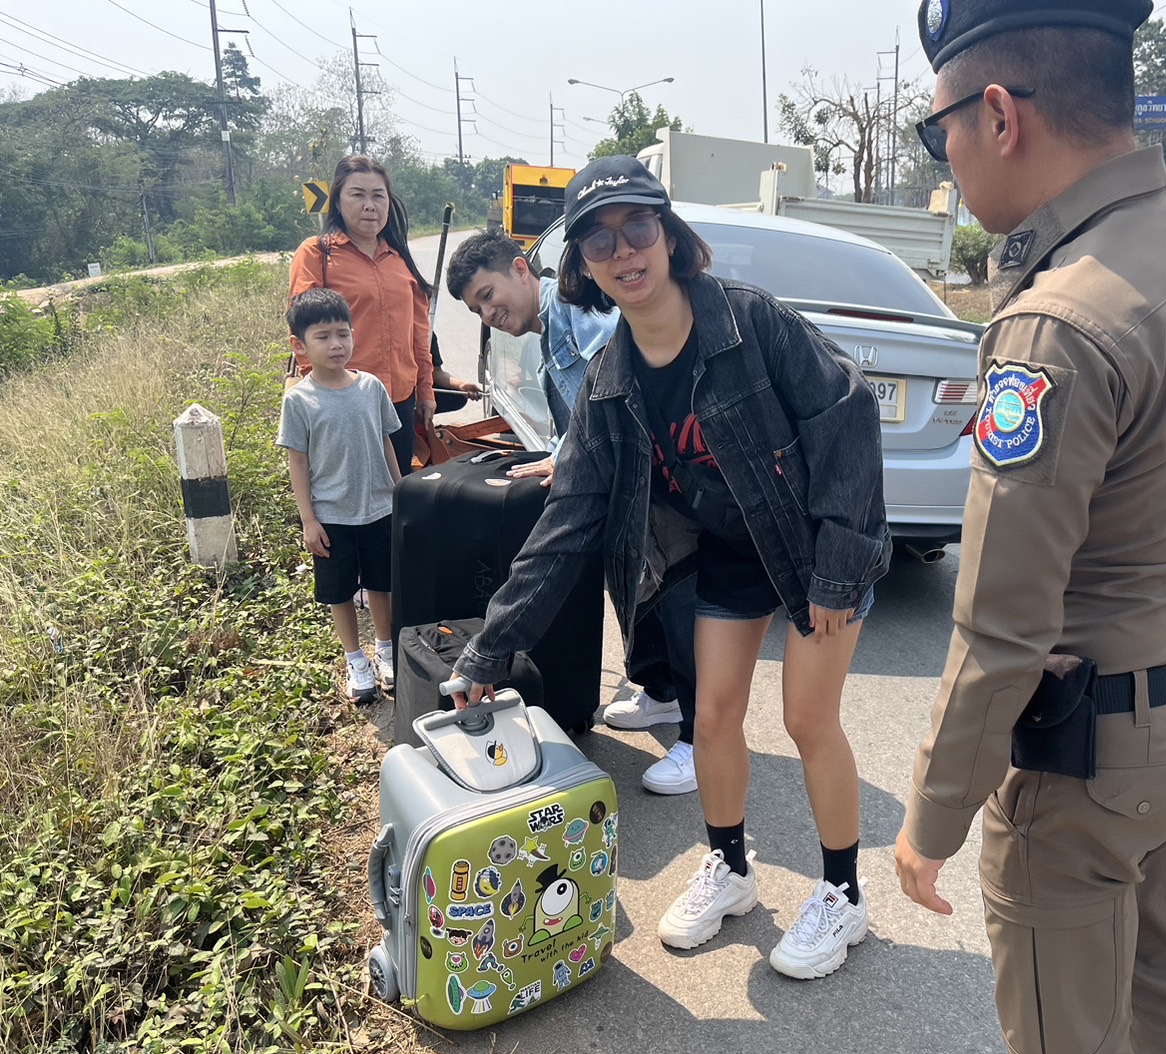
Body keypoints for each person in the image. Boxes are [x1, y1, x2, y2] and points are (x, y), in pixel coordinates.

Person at [893, 2, 1166, 1054]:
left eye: (939, 134)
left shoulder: (1054, 322)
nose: (949, 159)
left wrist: (931, 815)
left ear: (1000, 114)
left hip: (1087, 750)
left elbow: (1002, 621)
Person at [450, 157, 890, 979]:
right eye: (598, 241)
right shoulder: (612, 380)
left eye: (637, 228)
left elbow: (847, 416)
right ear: (580, 265)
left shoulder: (748, 323)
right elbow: (569, 516)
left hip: (814, 550)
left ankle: (843, 895)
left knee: (807, 720)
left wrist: (838, 569)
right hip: (725, 553)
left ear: (668, 235)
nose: (624, 252)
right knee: (712, 718)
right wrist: (489, 649)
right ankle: (730, 869)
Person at [444, 228, 697, 796]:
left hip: (663, 487)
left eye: (489, 295)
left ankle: (701, 738)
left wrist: (577, 459)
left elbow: (615, 395)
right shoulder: (550, 326)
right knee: (638, 588)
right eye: (476, 309)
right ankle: (661, 693)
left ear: (520, 269)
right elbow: (581, 414)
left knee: (678, 599)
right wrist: (563, 453)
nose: (489, 314)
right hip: (628, 487)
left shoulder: (580, 317)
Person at [277, 288, 402, 703]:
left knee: (382, 584)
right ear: (300, 345)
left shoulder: (371, 387)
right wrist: (309, 520)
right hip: (332, 515)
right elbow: (298, 462)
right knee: (340, 591)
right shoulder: (298, 400)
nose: (336, 344)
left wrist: (403, 494)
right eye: (324, 336)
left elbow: (386, 442)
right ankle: (355, 659)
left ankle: (385, 650)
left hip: (380, 507)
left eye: (343, 334)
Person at [289, 155, 435, 478]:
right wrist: (322, 400)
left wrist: (425, 391)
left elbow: (418, 337)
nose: (370, 205)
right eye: (358, 194)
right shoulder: (317, 255)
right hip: (341, 404)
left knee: (396, 503)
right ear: (337, 202)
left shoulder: (400, 261)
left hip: (398, 405)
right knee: (345, 499)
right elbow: (303, 331)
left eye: (378, 195)